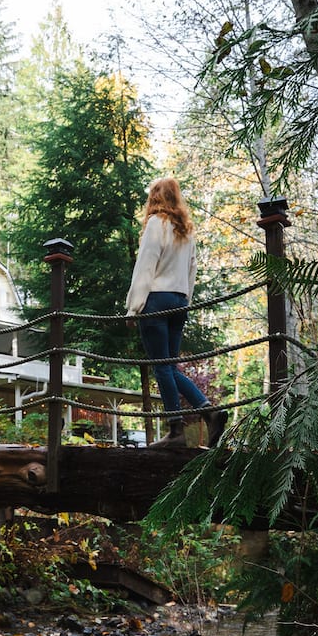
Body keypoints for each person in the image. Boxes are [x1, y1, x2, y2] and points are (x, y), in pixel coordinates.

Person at [125, 177, 227, 448]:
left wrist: (134, 308)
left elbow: (145, 267)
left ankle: (176, 431)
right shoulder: (186, 231)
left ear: (155, 198)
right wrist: (185, 301)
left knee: (162, 368)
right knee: (170, 366)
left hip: (156, 301)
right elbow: (191, 271)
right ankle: (210, 412)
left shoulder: (156, 224)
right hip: (179, 301)